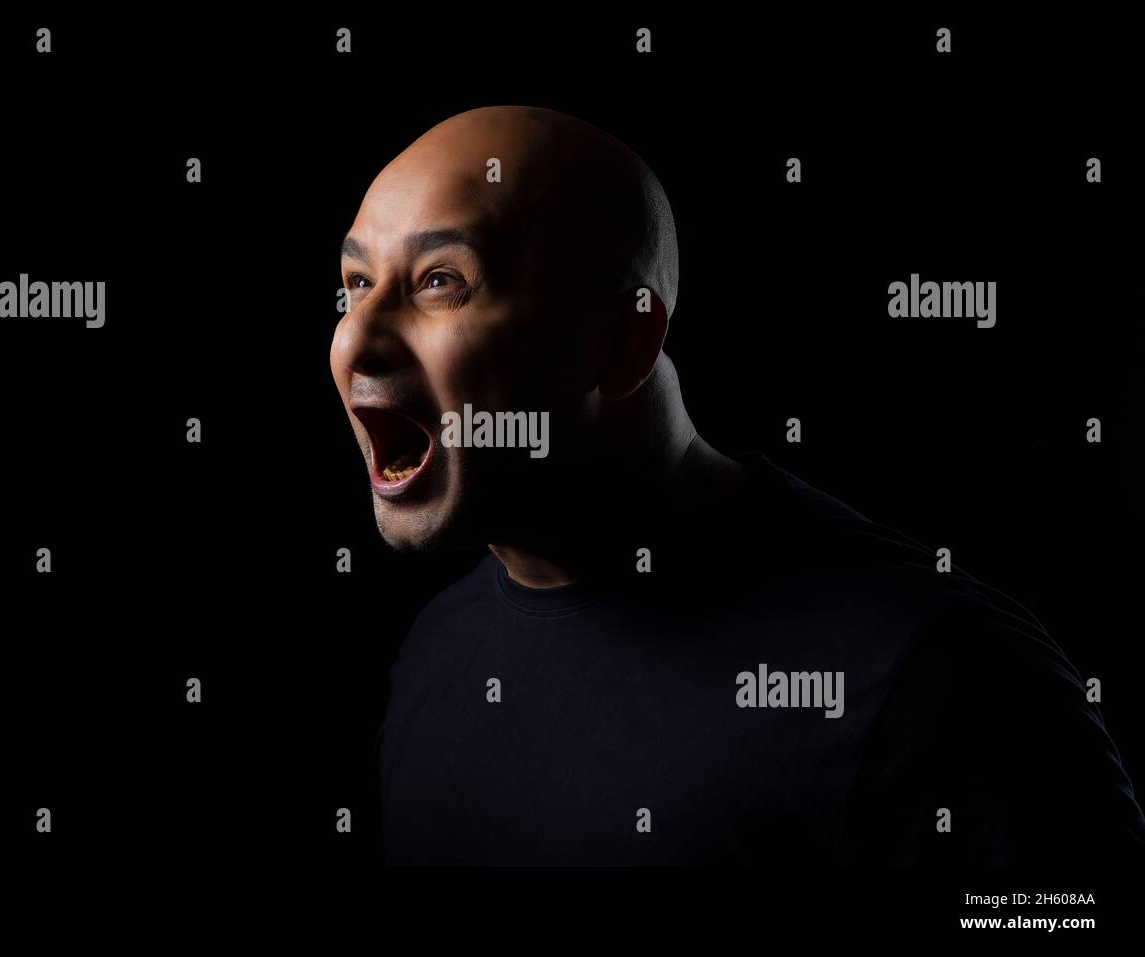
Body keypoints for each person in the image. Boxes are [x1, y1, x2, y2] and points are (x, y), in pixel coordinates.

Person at [330, 105, 1145, 865]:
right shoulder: (433, 653)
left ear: (622, 342)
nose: (357, 342)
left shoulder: (940, 679)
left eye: (442, 281)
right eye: (355, 285)